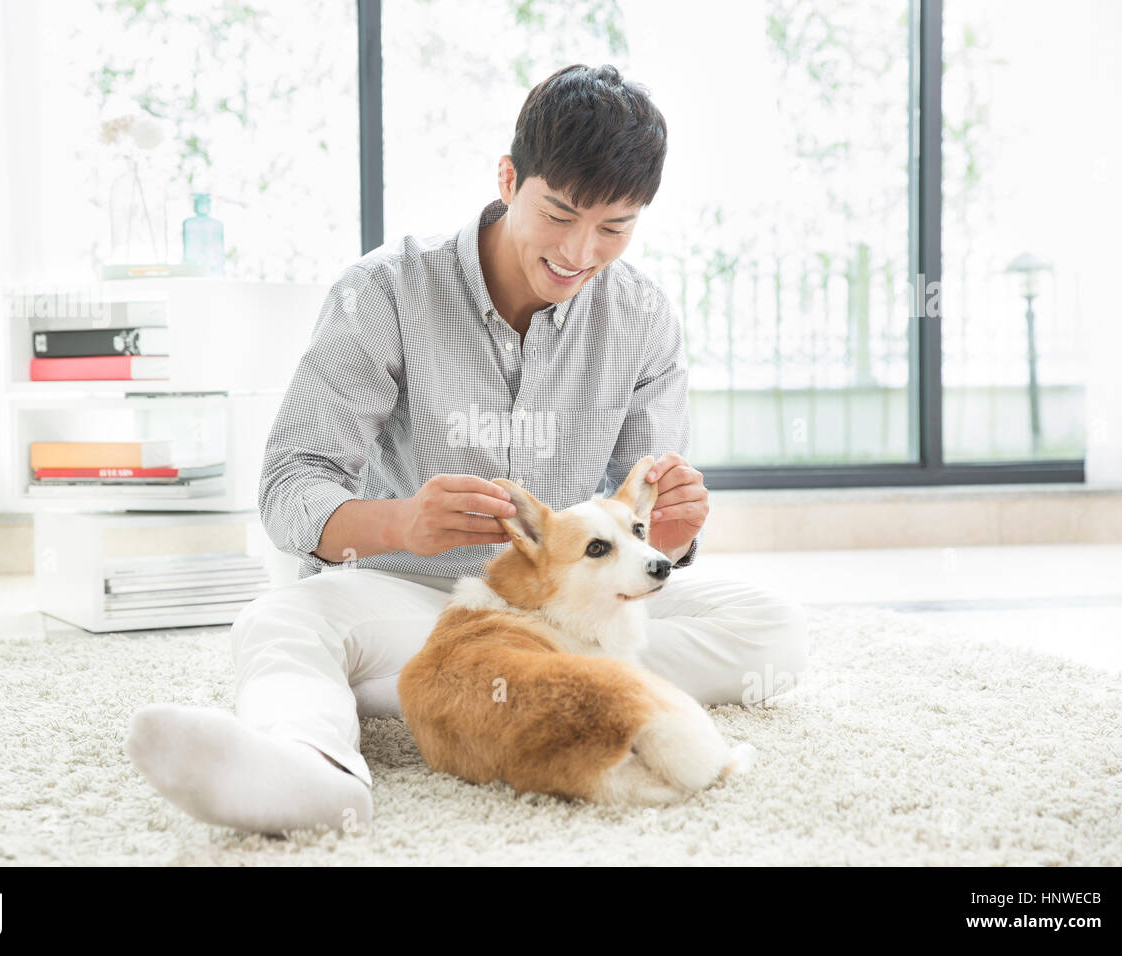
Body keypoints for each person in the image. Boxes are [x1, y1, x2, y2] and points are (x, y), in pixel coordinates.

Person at [124, 63, 808, 835]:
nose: (580, 251)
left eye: (614, 228)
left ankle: (498, 694)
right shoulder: (384, 290)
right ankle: (313, 769)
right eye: (559, 213)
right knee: (280, 621)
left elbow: (636, 520)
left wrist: (671, 540)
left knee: (770, 626)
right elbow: (289, 487)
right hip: (415, 609)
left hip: (569, 621)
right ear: (509, 178)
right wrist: (400, 525)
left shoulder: (643, 317)